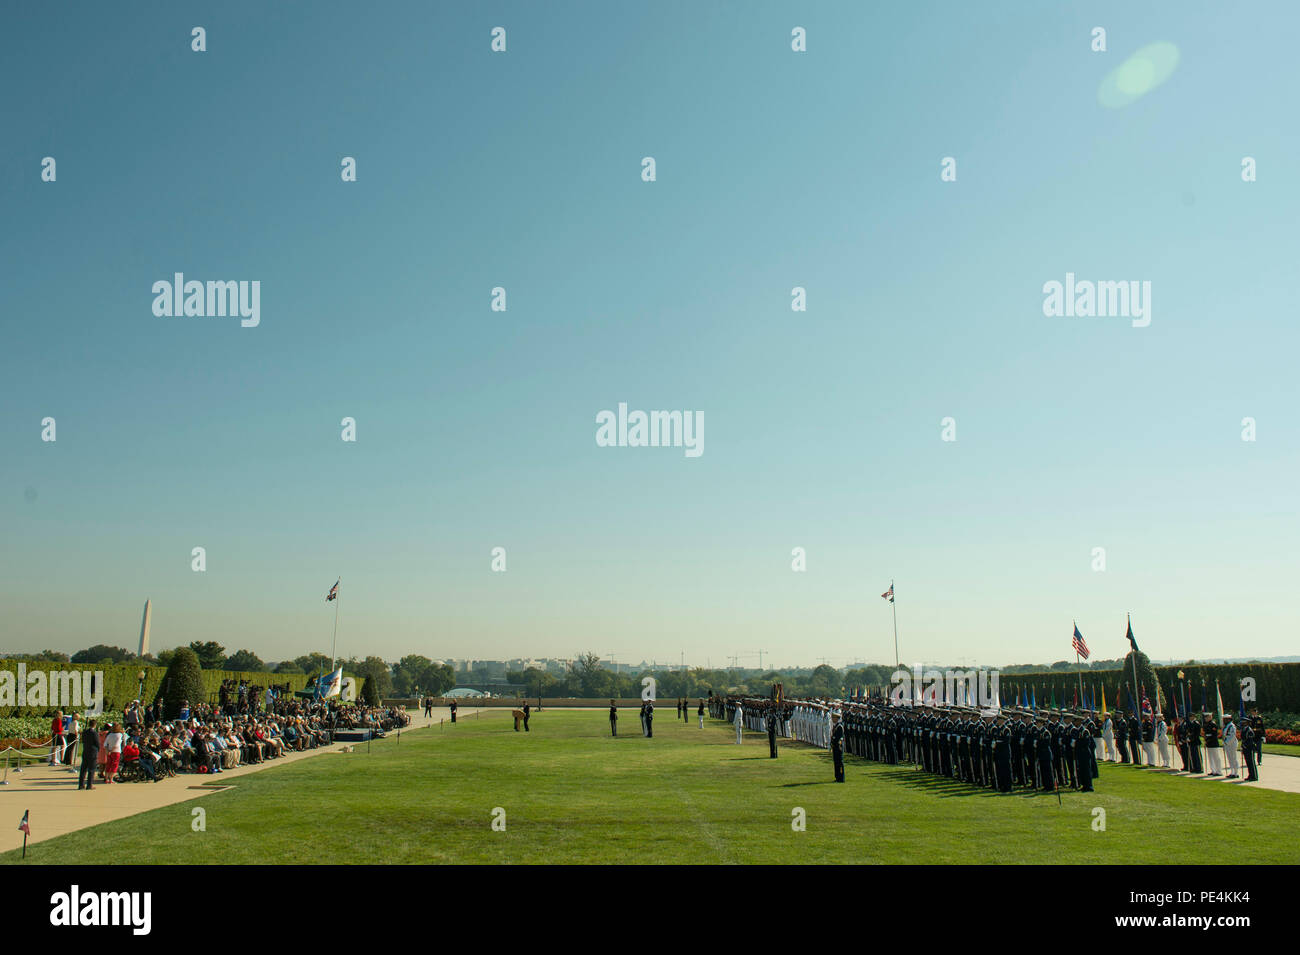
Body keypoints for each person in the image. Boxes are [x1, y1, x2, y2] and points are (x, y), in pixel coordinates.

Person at [78, 718, 100, 790]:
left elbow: (83, 740)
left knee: (83, 769)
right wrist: (98, 749)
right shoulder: (94, 733)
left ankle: (81, 785)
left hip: (86, 750)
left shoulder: (85, 732)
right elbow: (97, 743)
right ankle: (89, 785)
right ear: (95, 725)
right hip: (93, 752)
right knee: (91, 769)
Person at [830, 713, 845, 782]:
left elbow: (840, 738)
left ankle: (841, 777)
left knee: (840, 763)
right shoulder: (835, 726)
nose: (833, 719)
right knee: (836, 762)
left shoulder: (839, 727)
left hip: (838, 747)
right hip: (835, 747)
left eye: (834, 718)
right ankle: (837, 776)